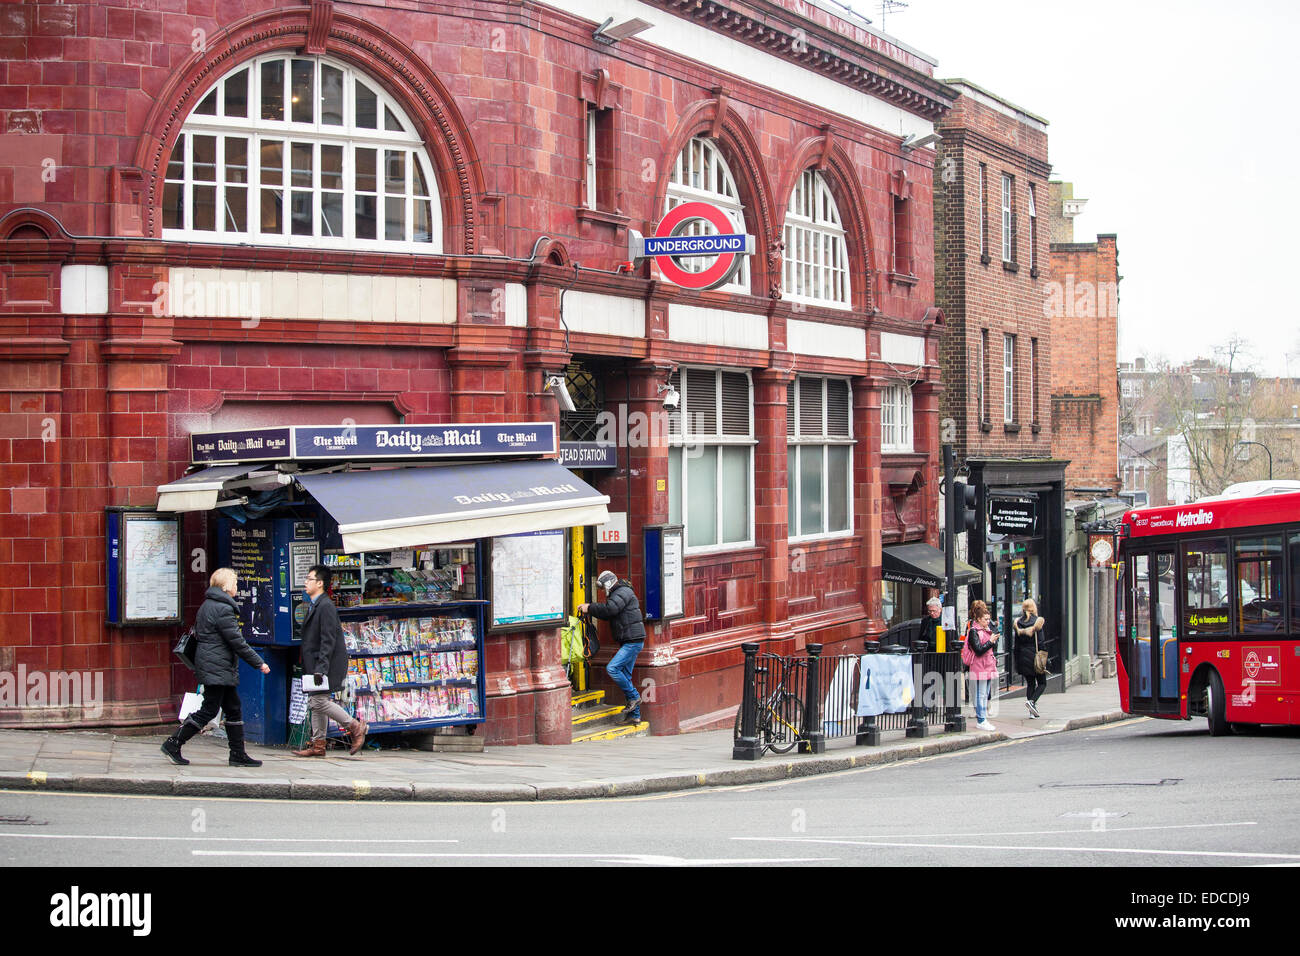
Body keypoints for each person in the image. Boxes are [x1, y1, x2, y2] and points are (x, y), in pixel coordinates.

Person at [161, 568, 270, 767]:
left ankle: (237, 754)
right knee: (209, 710)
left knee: (233, 708)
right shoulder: (222, 608)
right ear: (227, 586)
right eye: (235, 583)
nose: (237, 587)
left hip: (216, 666)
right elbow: (237, 641)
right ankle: (174, 743)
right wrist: (259, 662)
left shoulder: (208, 605)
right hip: (217, 667)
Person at [293, 564, 367, 757]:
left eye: (309, 579)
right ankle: (318, 745)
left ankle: (355, 727)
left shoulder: (325, 606)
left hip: (326, 664)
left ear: (320, 583)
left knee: (318, 702)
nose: (305, 583)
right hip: (317, 663)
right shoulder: (316, 604)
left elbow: (328, 640)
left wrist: (321, 668)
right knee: (315, 700)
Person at [579, 570, 646, 724]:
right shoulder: (621, 592)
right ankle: (634, 716)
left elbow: (610, 610)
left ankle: (635, 697)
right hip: (631, 640)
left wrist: (589, 608)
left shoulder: (622, 592)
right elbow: (609, 611)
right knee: (626, 676)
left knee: (612, 669)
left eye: (603, 587)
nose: (603, 591)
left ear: (609, 583)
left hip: (633, 641)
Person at [965, 599, 999, 732]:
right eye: (985, 619)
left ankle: (983, 719)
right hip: (979, 665)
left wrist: (992, 638)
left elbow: (991, 647)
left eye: (988, 619)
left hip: (988, 665)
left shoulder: (986, 629)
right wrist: (990, 641)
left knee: (985, 694)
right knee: (981, 694)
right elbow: (978, 650)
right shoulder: (973, 631)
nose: (987, 621)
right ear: (978, 619)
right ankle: (981, 720)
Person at [1015, 598, 1047, 718]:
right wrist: (1045, 657)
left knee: (1030, 684)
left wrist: (1017, 660)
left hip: (1023, 657)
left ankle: (1031, 712)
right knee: (1043, 683)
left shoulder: (1018, 623)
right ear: (1034, 608)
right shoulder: (1037, 622)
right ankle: (1032, 702)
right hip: (1035, 657)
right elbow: (1041, 642)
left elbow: (1016, 645)